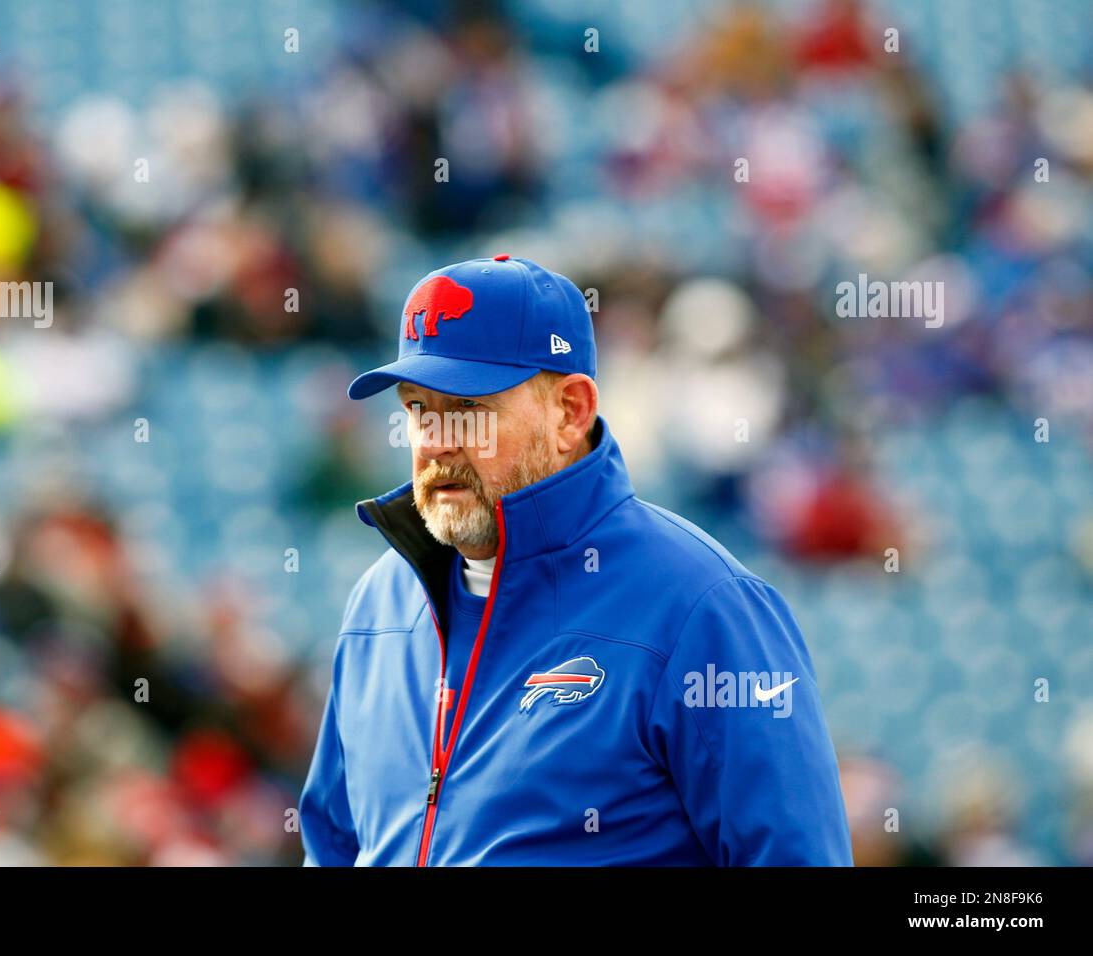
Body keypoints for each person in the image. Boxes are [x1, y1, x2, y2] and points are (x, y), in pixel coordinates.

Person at [298, 254, 852, 865]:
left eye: (467, 409)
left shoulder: (704, 606)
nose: (434, 440)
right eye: (417, 409)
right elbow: (332, 846)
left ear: (570, 411)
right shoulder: (380, 601)